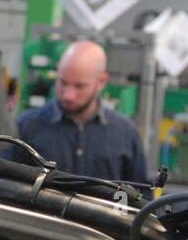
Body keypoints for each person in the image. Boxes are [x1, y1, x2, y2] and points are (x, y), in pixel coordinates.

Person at [15, 39, 149, 182]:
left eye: (79, 86)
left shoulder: (126, 134)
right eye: (63, 82)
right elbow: (3, 187)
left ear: (102, 81)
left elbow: (141, 198)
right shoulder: (26, 127)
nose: (68, 95)